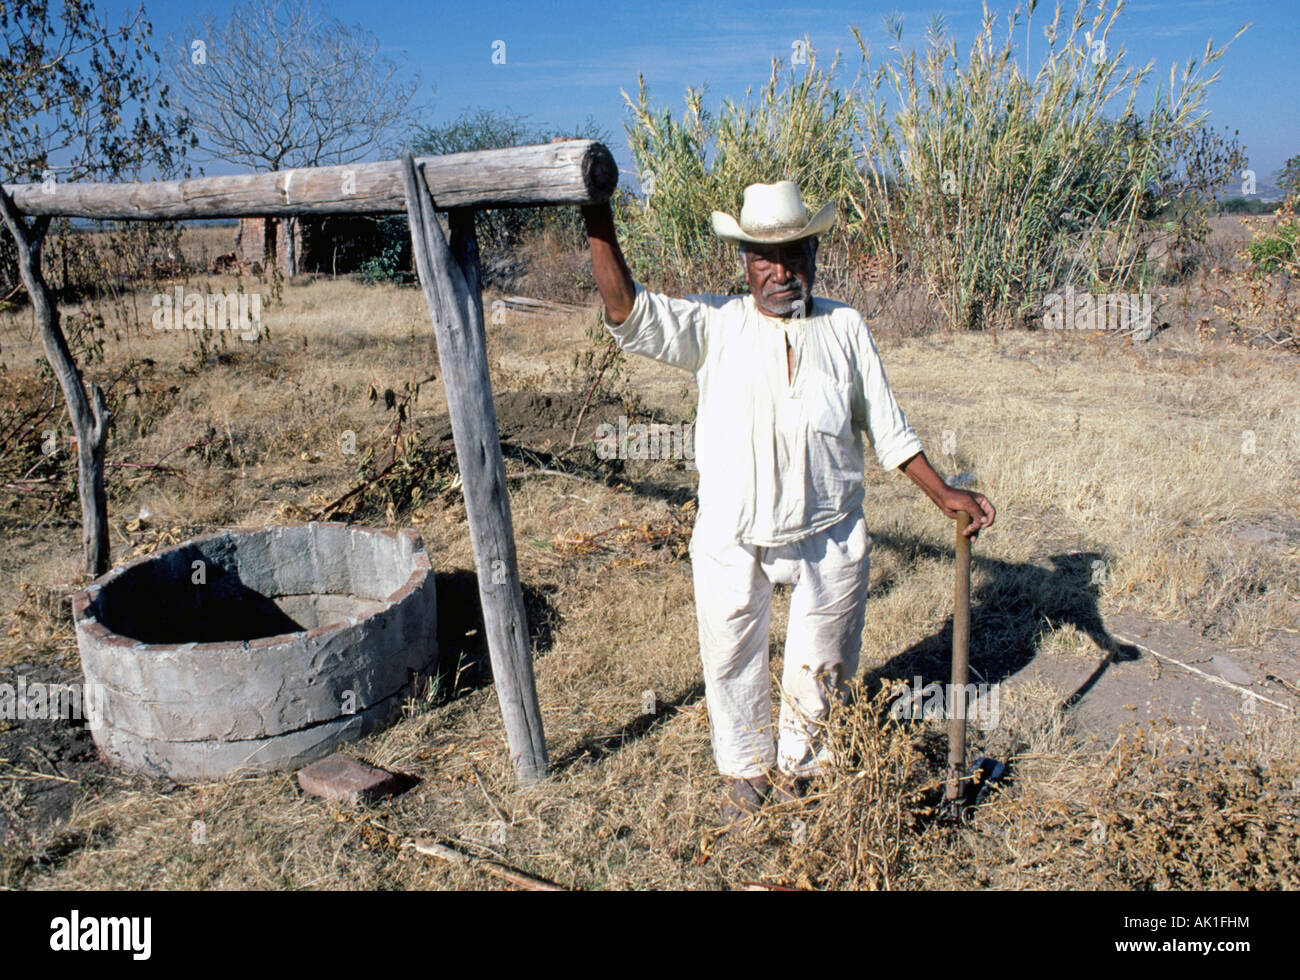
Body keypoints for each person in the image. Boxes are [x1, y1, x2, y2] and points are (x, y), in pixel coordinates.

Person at [580, 180, 995, 827]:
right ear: (743, 261)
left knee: (823, 663)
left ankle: (803, 774)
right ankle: (744, 773)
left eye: (794, 253)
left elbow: (887, 427)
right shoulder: (714, 325)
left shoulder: (844, 327)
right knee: (731, 656)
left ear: (813, 252)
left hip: (829, 532)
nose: (780, 270)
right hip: (731, 532)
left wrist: (942, 493)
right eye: (763, 257)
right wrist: (596, 215)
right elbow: (628, 314)